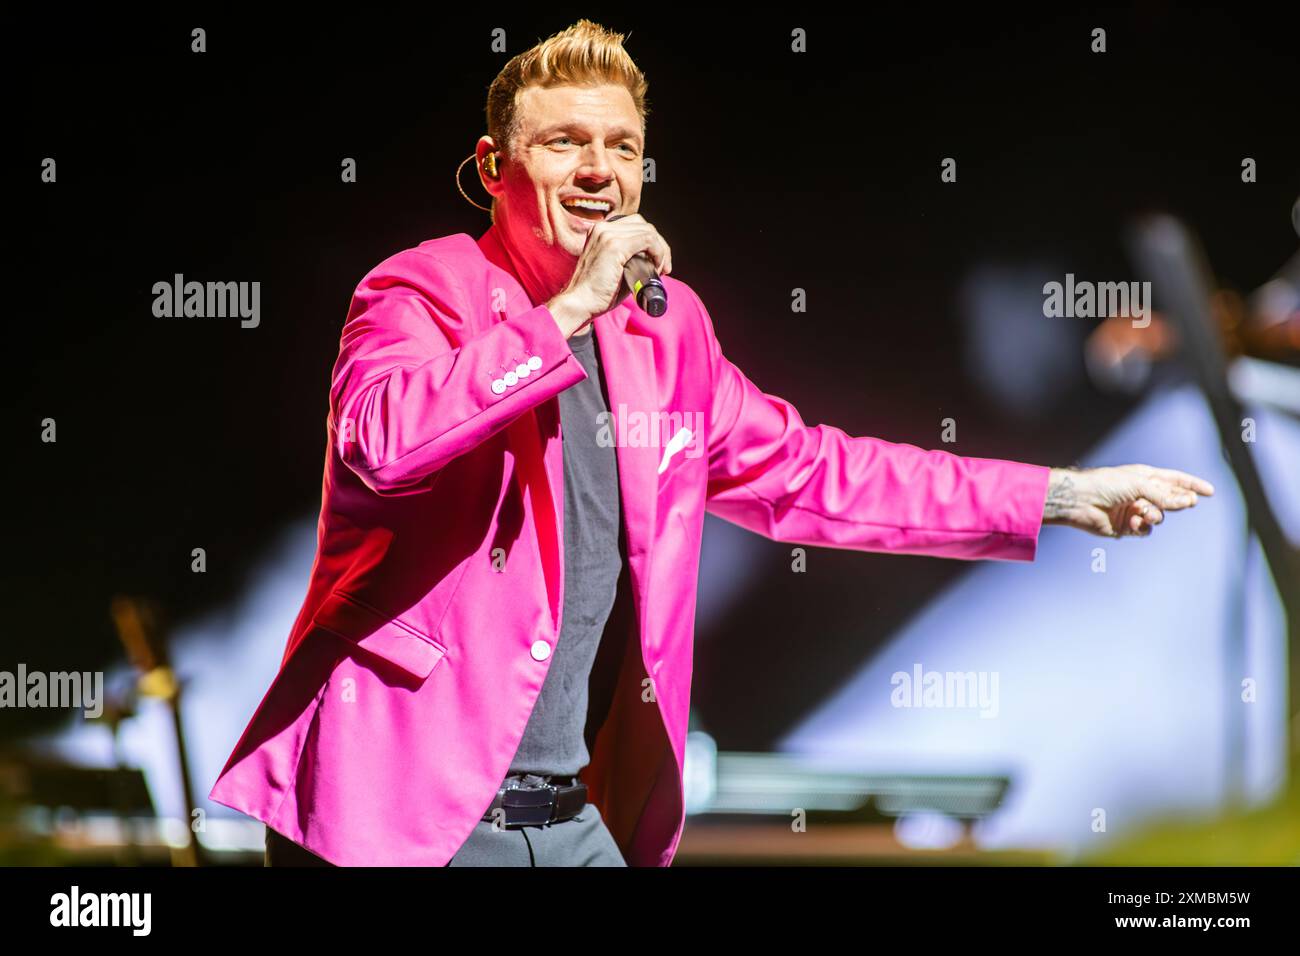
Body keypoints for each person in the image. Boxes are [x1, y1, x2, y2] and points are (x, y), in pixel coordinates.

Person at [214, 19, 1214, 867]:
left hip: (565, 815)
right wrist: (563, 313)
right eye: (564, 142)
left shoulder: (665, 334)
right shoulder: (421, 289)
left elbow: (819, 474)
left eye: (622, 146)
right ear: (492, 167)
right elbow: (382, 439)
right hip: (398, 810)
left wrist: (1052, 494)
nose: (599, 170)